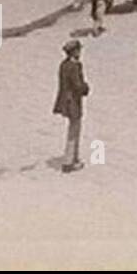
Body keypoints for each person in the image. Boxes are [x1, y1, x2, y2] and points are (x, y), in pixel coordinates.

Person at [53, 39, 90, 174]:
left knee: (73, 129)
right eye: (78, 50)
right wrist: (86, 88)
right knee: (74, 130)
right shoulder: (75, 66)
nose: (80, 52)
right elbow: (77, 85)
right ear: (74, 52)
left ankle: (73, 158)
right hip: (73, 102)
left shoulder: (63, 65)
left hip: (65, 101)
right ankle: (69, 161)